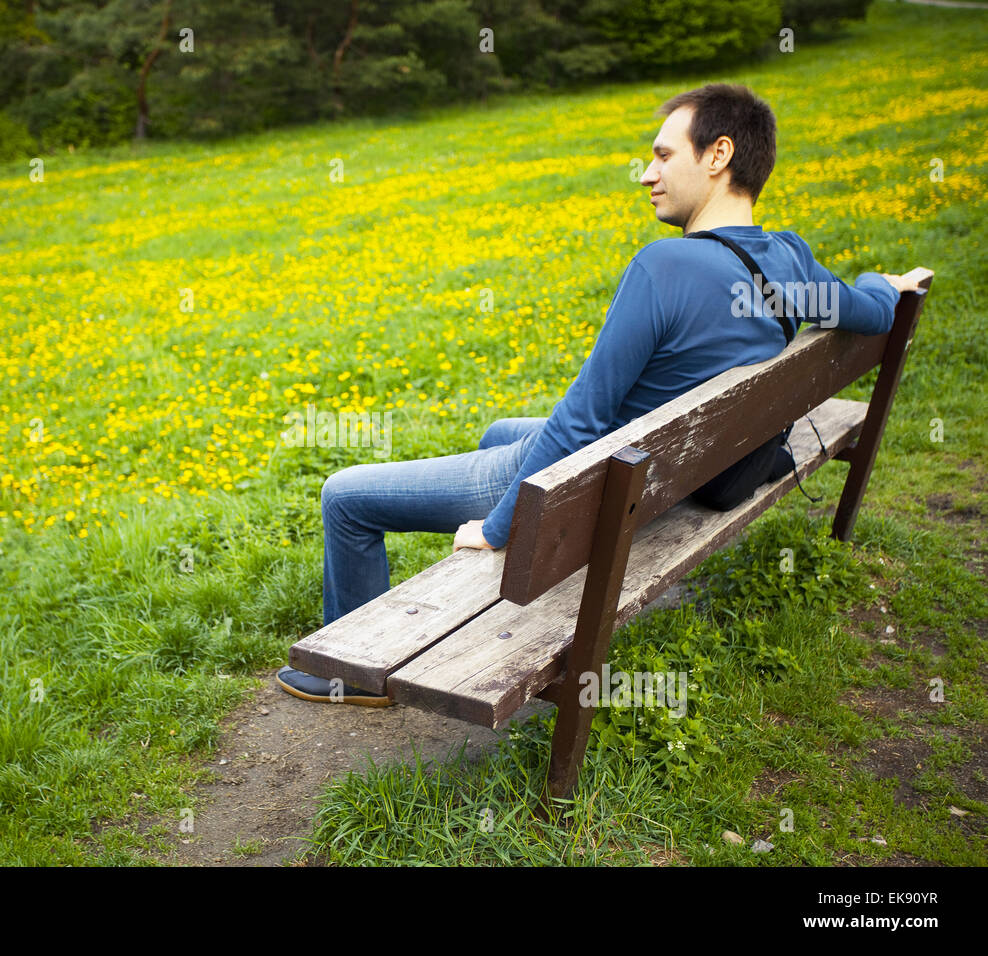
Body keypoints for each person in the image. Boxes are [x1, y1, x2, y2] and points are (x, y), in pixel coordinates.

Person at [276, 82, 925, 706]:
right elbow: (872, 310)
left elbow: (581, 420)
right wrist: (878, 279)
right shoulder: (789, 260)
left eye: (664, 155)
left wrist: (500, 530)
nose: (647, 173)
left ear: (719, 155)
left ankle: (351, 678)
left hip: (596, 479)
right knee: (503, 429)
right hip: (666, 472)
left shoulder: (665, 267)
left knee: (346, 496)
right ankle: (468, 515)